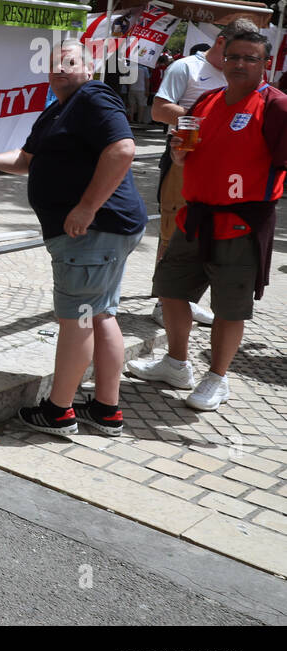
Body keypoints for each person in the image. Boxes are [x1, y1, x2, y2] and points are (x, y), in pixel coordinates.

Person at [0, 40, 147, 436]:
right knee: (100, 315)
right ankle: (105, 410)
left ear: (90, 67)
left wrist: (86, 207)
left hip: (92, 233)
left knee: (78, 320)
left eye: (70, 62)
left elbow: (122, 150)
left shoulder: (93, 96)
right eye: (53, 65)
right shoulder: (58, 110)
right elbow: (26, 161)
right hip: (101, 234)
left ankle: (59, 411)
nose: (60, 69)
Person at [127, 30, 286, 412]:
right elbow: (187, 145)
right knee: (171, 290)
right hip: (195, 214)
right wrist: (180, 158)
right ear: (222, 58)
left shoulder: (276, 105)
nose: (241, 64)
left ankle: (217, 378)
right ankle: (176, 364)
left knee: (230, 306)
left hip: (242, 222)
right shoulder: (207, 99)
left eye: (250, 58)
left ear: (265, 63)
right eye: (234, 56)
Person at [147, 21, 259, 326]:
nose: (239, 59)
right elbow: (158, 110)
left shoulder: (238, 73)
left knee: (205, 233)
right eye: (235, 51)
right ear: (221, 42)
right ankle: (163, 302)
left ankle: (187, 300)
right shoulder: (186, 68)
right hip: (184, 160)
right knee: (172, 229)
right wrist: (207, 121)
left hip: (223, 170)